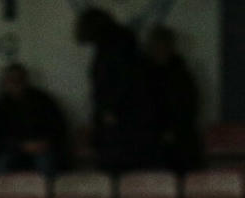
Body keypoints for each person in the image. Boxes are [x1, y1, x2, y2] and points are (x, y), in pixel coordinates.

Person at [76, 6, 149, 172]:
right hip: (123, 117)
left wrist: (110, 108)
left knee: (115, 165)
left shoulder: (115, 47)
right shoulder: (121, 44)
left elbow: (121, 81)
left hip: (120, 118)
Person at [141, 25, 201, 174]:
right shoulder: (143, 76)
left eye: (163, 46)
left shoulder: (180, 75)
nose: (160, 50)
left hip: (179, 142)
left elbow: (187, 107)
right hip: (151, 142)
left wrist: (173, 130)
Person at [0, 64, 67, 176]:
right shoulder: (1, 105)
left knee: (47, 164)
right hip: (13, 149)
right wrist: (21, 145)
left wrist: (43, 143)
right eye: (11, 80)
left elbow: (57, 127)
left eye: (19, 79)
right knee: (0, 165)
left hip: (41, 148)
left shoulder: (42, 101)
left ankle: (48, 193)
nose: (15, 83)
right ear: (5, 82)